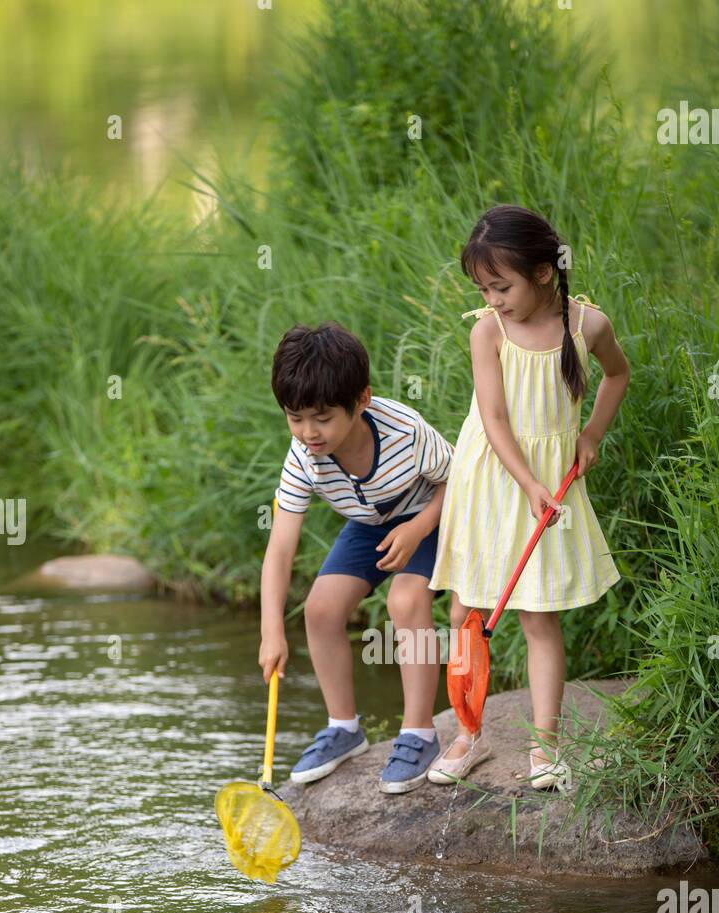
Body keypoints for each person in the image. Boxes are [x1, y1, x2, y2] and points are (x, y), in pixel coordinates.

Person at [427, 204, 629, 790]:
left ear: (544, 272)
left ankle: (546, 748)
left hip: (549, 482)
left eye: (501, 285)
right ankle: (468, 735)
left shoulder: (587, 325)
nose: (492, 298)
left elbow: (618, 375)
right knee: (466, 610)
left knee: (537, 613)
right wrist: (529, 483)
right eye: (483, 287)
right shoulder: (487, 330)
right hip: (493, 476)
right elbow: (492, 419)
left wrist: (591, 434)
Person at [260, 321, 453, 793]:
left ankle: (418, 732)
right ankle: (344, 728)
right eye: (295, 417)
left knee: (405, 603)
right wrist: (270, 632)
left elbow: (462, 481)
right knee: (321, 608)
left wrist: (419, 527)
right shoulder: (304, 455)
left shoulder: (404, 432)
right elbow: (280, 546)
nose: (308, 432)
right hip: (370, 525)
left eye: (322, 418)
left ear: (361, 399)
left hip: (432, 513)